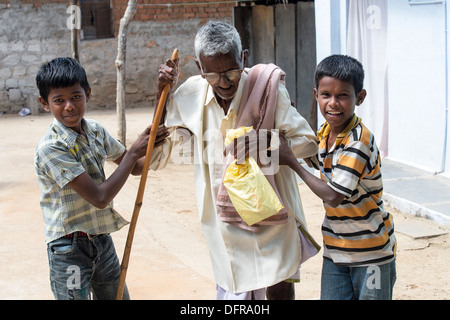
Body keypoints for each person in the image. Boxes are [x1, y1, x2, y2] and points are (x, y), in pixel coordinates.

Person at [154, 20, 319, 299]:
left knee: (279, 282)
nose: (224, 82)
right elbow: (158, 155)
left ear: (243, 58)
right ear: (199, 68)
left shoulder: (267, 89)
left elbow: (308, 142)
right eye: (213, 75)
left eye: (231, 71)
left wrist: (265, 144)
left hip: (271, 210)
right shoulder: (188, 97)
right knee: (235, 285)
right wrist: (162, 95)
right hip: (225, 221)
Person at [34, 57, 168, 300]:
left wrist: (161, 97)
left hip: (101, 241)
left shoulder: (94, 130)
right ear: (45, 103)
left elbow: (136, 167)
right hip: (68, 250)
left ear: (88, 94)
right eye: (59, 100)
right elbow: (99, 197)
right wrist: (135, 151)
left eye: (76, 97)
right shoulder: (50, 148)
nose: (69, 107)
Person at [278, 54, 396, 300]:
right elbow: (315, 157)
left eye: (343, 95)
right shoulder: (324, 134)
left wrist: (290, 160)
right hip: (336, 252)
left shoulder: (359, 141)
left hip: (371, 253)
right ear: (316, 95)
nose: (333, 103)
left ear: (359, 97)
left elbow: (333, 195)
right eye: (326, 95)